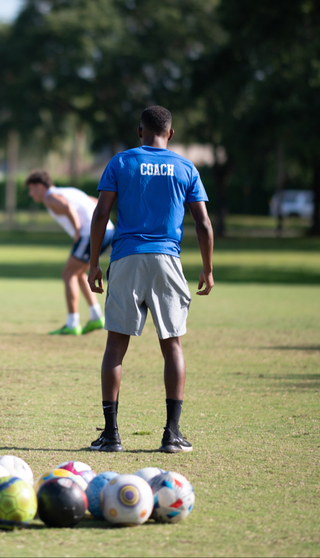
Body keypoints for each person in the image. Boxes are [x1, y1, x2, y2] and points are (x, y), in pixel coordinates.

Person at [86, 106, 214, 453]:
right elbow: (203, 223)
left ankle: (111, 435)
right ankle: (172, 434)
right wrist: (207, 268)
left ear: (140, 131)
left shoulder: (121, 162)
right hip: (167, 260)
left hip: (126, 258)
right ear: (170, 133)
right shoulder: (185, 167)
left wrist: (93, 263)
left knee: (115, 346)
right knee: (172, 345)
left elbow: (101, 213)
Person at [25, 170, 115, 336]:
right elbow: (93, 200)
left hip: (90, 234)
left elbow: (67, 207)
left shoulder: (49, 197)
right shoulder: (69, 191)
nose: (30, 194)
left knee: (68, 274)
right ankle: (96, 317)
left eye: (31, 189)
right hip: (107, 230)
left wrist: (77, 230)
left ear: (40, 186)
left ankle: (72, 324)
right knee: (79, 274)